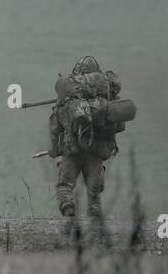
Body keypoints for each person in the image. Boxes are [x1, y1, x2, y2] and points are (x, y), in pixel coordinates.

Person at [48, 56, 125, 218]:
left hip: (73, 149)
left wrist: (54, 149)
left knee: (64, 185)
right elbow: (120, 126)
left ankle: (68, 208)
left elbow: (56, 126)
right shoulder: (107, 101)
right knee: (94, 192)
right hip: (96, 152)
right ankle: (94, 214)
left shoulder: (68, 101)